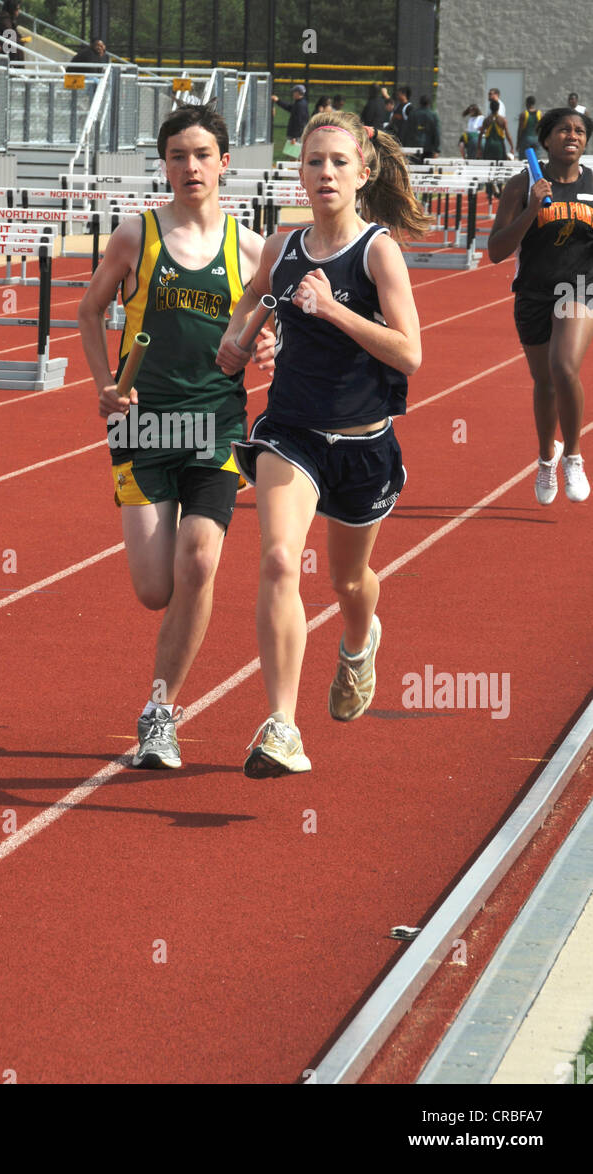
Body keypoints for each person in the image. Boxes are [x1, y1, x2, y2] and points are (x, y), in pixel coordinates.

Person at [216, 111, 425, 778]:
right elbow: (253, 298)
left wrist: (333, 308)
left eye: (338, 162)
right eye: (313, 162)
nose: (325, 173)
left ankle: (360, 642)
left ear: (363, 173)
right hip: (292, 431)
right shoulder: (281, 248)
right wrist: (237, 336)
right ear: (298, 174)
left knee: (346, 580)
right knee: (279, 560)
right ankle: (281, 726)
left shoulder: (375, 251)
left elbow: (409, 353)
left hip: (362, 444)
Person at [77, 101, 273, 770]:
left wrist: (268, 348)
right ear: (163, 164)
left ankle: (160, 714)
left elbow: (266, 332)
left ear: (224, 163)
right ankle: (159, 708)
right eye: (177, 155)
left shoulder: (249, 249)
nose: (190, 166)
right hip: (143, 428)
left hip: (215, 426)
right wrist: (105, 384)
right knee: (155, 590)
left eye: (201, 154)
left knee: (199, 562)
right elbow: (88, 308)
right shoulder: (137, 235)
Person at [487, 105, 593, 505]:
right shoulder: (522, 184)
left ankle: (574, 456)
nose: (572, 136)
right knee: (545, 381)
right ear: (546, 139)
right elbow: (497, 251)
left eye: (579, 131)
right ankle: (546, 456)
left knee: (564, 368)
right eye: (563, 130)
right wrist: (532, 208)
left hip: (579, 289)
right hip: (533, 292)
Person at [271, 83, 309, 152]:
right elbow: (289, 107)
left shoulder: (300, 105)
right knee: (293, 155)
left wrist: (295, 136)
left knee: (293, 155)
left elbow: (299, 122)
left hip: (296, 135)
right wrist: (278, 101)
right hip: (297, 134)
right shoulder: (299, 103)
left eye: (294, 92)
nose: (293, 94)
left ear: (298, 92)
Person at [410, 93, 441, 159]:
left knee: (414, 168)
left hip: (415, 147)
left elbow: (408, 130)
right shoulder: (433, 115)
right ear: (429, 103)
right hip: (429, 148)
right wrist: (436, 149)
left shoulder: (413, 114)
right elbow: (437, 132)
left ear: (420, 103)